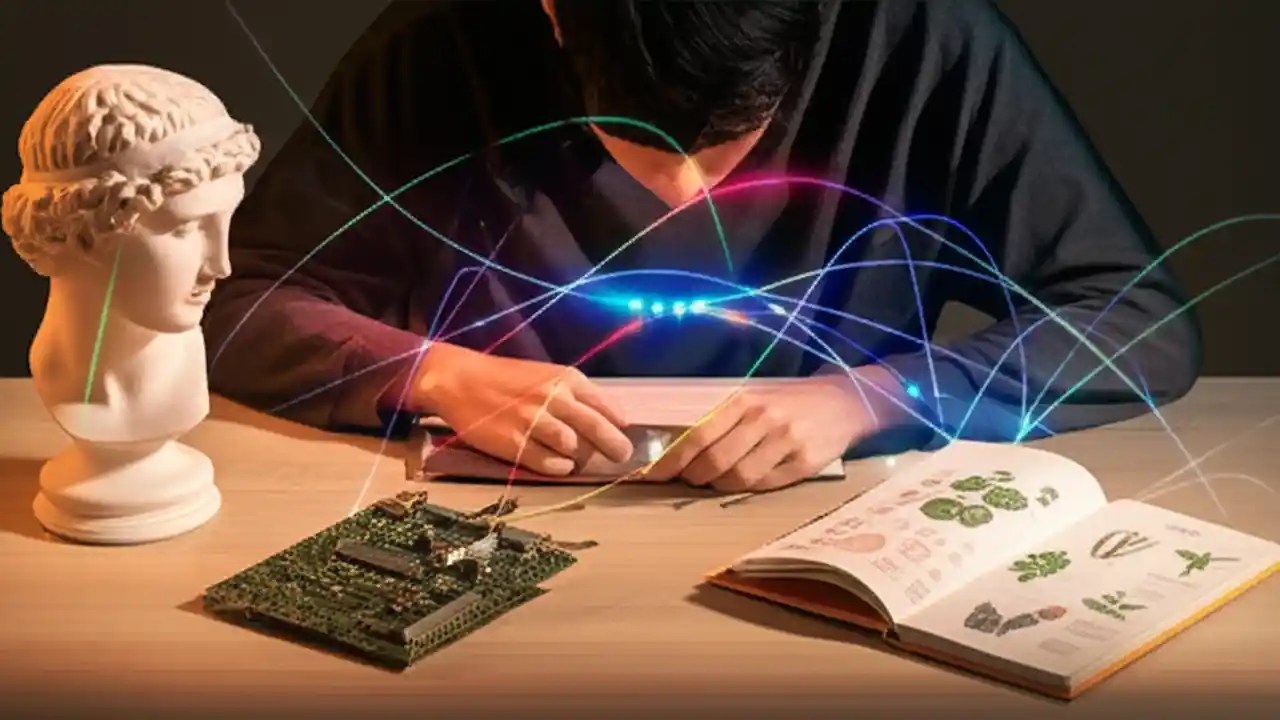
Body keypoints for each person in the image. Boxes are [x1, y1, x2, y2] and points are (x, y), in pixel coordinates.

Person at [203, 0, 1201, 493]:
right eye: (635, 138)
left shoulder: (923, 35)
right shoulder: (441, 41)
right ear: (552, 14)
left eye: (729, 135)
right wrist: (436, 375)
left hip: (830, 537)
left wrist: (871, 398)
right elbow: (237, 302)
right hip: (493, 533)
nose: (686, 195)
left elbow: (1137, 318)